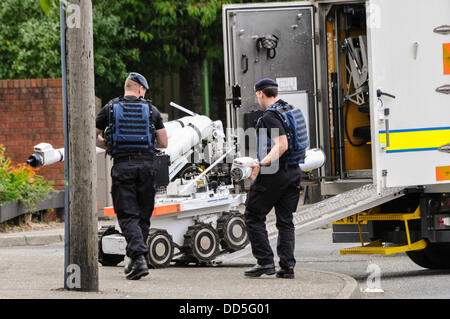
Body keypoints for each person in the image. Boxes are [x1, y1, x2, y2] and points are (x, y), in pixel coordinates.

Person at [95, 72, 168, 280]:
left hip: (123, 165)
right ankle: (137, 260)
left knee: (127, 215)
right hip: (147, 167)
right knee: (143, 216)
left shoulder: (110, 108)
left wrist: (108, 145)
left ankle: (138, 258)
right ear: (140, 89)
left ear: (126, 87)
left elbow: (93, 133)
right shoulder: (151, 109)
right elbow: (163, 143)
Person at [244, 78, 308, 279]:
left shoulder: (270, 116)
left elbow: (282, 145)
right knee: (285, 221)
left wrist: (262, 164)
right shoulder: (290, 110)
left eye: (257, 95)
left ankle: (265, 262)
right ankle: (287, 267)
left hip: (275, 173)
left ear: (261, 93)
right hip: (294, 172)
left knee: (253, 215)